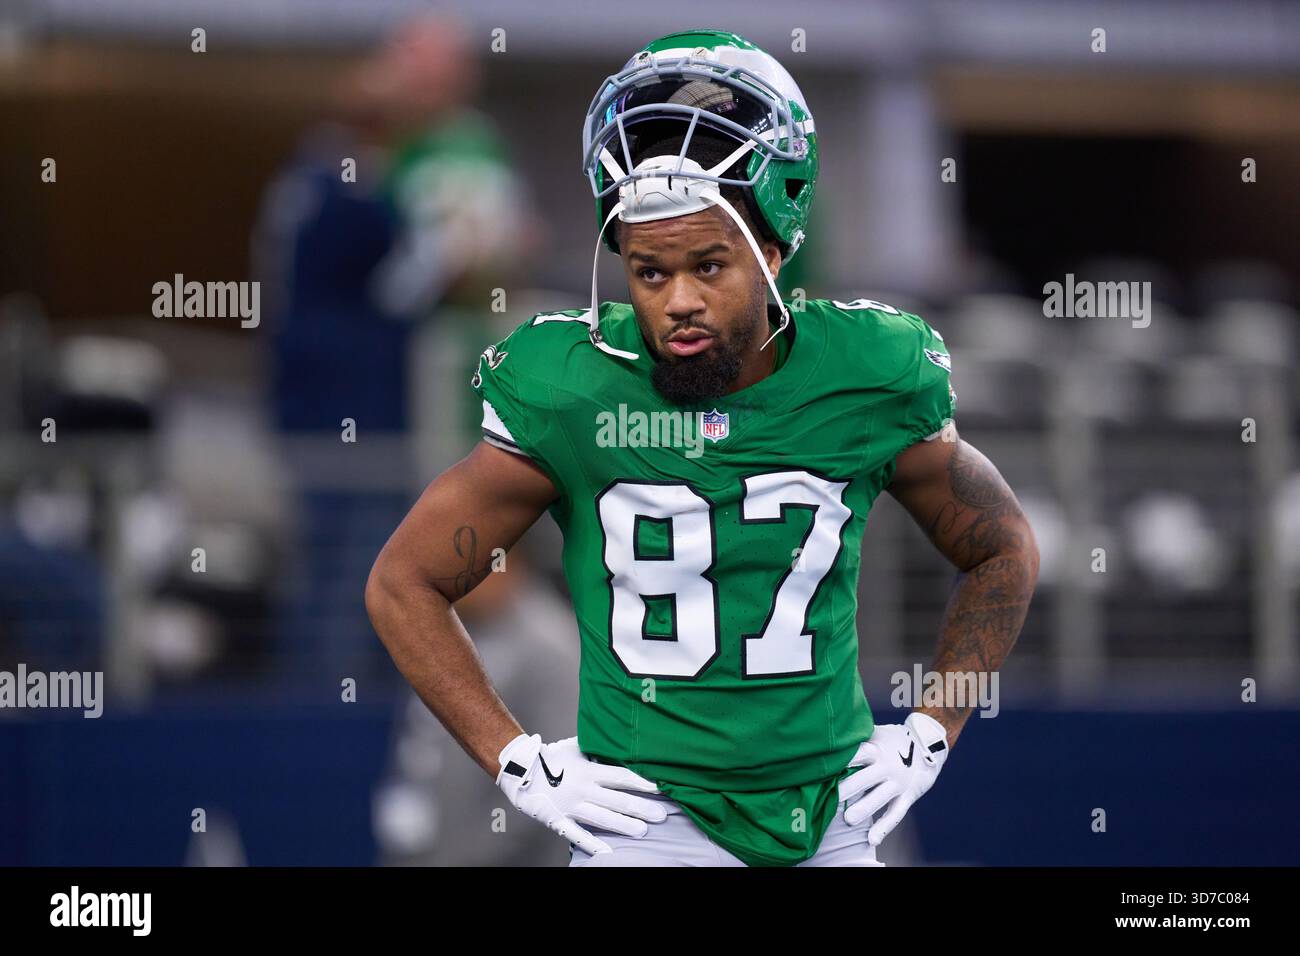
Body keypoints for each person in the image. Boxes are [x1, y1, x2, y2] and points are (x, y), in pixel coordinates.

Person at [366, 30, 1039, 867]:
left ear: (774, 248)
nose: (679, 300)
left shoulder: (869, 371)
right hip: (645, 823)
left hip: (830, 820)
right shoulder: (573, 385)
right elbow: (404, 582)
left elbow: (1003, 547)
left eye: (709, 266)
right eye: (650, 272)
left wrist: (935, 728)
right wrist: (517, 761)